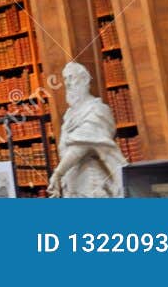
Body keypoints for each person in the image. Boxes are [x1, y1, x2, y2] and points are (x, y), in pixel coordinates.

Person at [48, 61, 126, 198]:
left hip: (91, 184)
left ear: (84, 79)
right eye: (65, 79)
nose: (67, 83)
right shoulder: (69, 114)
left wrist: (58, 173)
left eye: (71, 78)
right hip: (71, 184)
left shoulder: (97, 109)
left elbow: (80, 146)